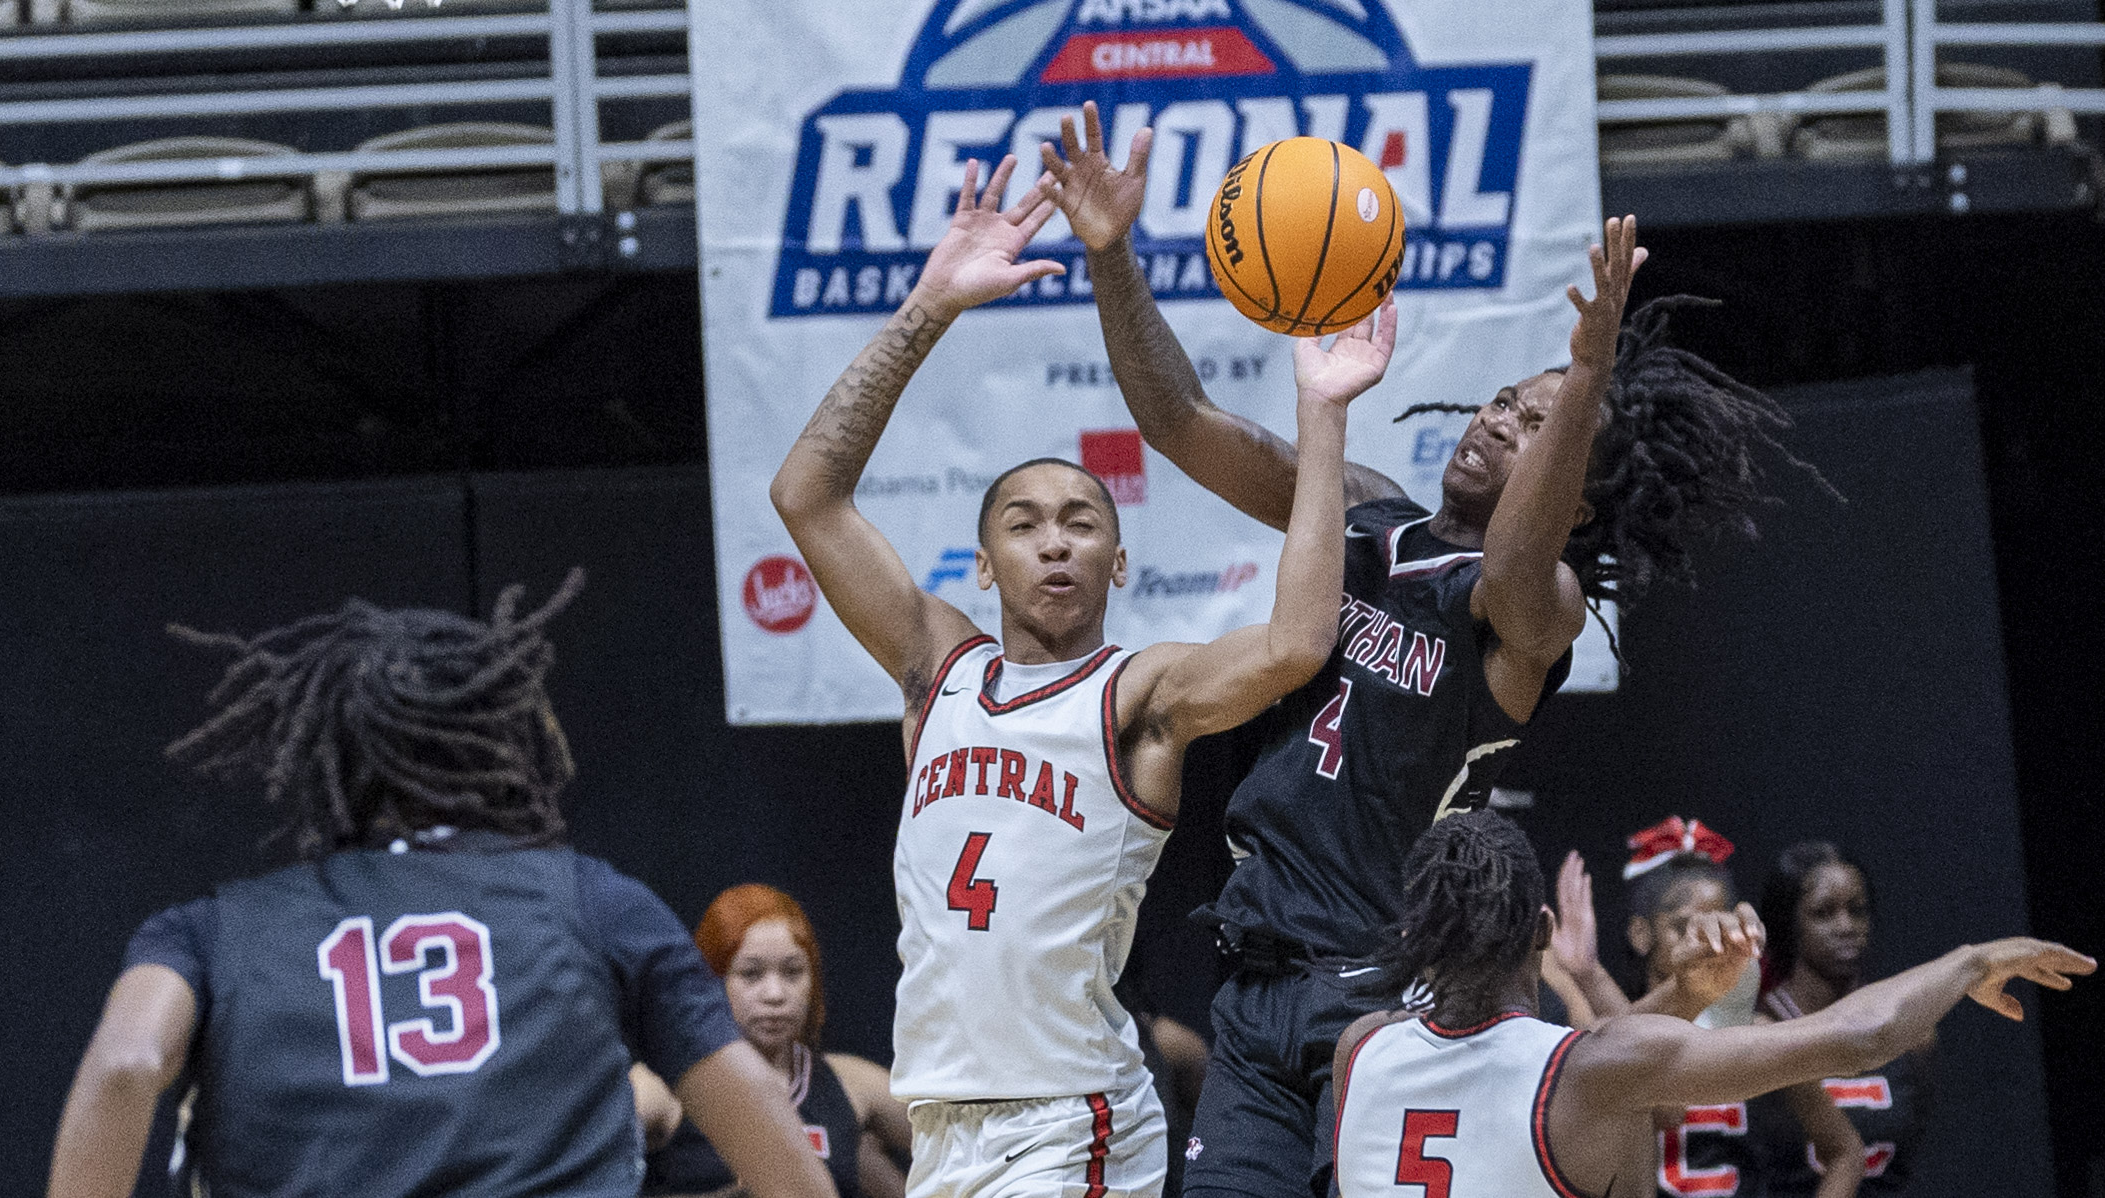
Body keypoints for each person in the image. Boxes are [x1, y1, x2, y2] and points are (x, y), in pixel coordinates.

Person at [1038, 101, 1832, 1198]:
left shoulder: (1530, 611)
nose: (1502, 418)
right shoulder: (1364, 512)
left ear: (1577, 502)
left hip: (1380, 996)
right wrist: (1110, 254)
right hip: (1253, 978)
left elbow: (1515, 561)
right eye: (1507, 400)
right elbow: (1177, 420)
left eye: (1538, 426)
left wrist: (1586, 376)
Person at [768, 152, 1384, 1198]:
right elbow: (806, 496)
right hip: (944, 1119)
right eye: (1023, 522)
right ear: (983, 563)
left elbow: (1291, 643)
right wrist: (932, 301)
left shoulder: (1136, 697)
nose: (1053, 541)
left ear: (1118, 561)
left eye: (1079, 521)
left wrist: (1322, 417)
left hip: (1070, 1119)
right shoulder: (936, 669)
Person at [45, 573, 838, 1198]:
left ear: (329, 756)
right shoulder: (597, 903)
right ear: (494, 744)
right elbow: (765, 1132)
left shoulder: (210, 931)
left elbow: (124, 1064)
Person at [1329, 810, 2092, 1198]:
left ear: (1414, 936)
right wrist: (1971, 959)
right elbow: (1861, 1034)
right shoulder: (1590, 1066)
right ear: (1541, 930)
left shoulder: (1359, 1047)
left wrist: (1685, 993)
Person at [1612, 818, 1865, 1198]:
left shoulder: (1759, 1031)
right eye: (1684, 927)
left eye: (1715, 927)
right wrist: (1585, 975)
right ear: (1641, 934)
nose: (1702, 942)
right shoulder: (1613, 1029)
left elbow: (1846, 1152)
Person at [643, 884, 911, 1198]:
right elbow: (580, 1158)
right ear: (711, 978)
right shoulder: (662, 1088)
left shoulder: (851, 1086)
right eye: (751, 974)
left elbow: (968, 1135)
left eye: (793, 972)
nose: (775, 994)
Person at [1752, 843, 1932, 1195]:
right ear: (1789, 923)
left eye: (1857, 911)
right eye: (1823, 913)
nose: (1845, 926)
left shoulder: (1914, 1036)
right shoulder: (1760, 1031)